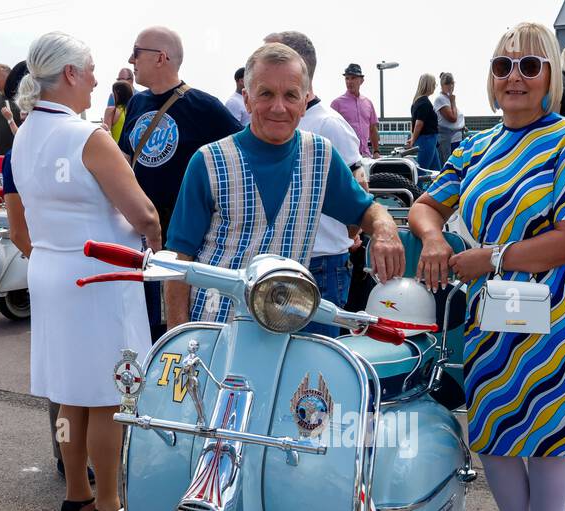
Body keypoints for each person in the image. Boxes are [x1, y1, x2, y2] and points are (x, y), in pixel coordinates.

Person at [409, 22, 565, 511]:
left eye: (530, 66)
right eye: (505, 66)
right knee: (496, 437)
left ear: (550, 75)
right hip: (492, 311)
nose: (515, 78)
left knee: (547, 440)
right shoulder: (476, 145)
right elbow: (426, 205)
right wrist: (431, 241)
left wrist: (492, 256)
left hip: (557, 309)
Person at [8, 32, 161, 511]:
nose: (98, 78)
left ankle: (76, 491)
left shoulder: (24, 134)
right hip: (99, 271)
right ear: (70, 73)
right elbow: (142, 211)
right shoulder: (87, 137)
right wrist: (157, 245)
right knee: (108, 394)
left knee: (68, 392)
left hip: (50, 268)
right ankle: (109, 500)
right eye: (91, 68)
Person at [164, 42, 403, 326]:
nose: (279, 107)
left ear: (304, 103)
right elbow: (179, 258)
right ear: (247, 99)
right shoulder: (208, 161)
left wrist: (386, 230)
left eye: (290, 95)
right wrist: (177, 338)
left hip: (283, 330)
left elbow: (366, 210)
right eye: (266, 94)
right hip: (214, 327)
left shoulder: (320, 156)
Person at [118, 25, 242, 339]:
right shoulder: (136, 103)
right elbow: (123, 158)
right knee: (142, 316)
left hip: (184, 235)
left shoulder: (205, 106)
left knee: (181, 315)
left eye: (137, 51)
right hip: (139, 229)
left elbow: (242, 155)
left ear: (161, 57)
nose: (131, 59)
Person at [263, 31, 364, 319]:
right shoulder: (276, 123)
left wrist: (346, 236)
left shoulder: (329, 125)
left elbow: (358, 188)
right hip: (282, 265)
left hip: (321, 265)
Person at [332, 63, 379, 158]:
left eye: (353, 78)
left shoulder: (368, 103)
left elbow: (373, 129)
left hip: (366, 155)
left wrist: (376, 151)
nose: (349, 82)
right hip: (346, 157)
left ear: (361, 81)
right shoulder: (336, 104)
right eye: (347, 78)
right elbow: (331, 131)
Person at [407, 74, 440, 170]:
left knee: (436, 171)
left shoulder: (417, 102)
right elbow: (419, 124)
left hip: (427, 139)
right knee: (422, 170)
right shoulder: (425, 103)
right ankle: (416, 186)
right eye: (434, 84)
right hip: (427, 139)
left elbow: (414, 123)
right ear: (429, 85)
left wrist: (413, 137)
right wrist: (413, 140)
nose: (434, 86)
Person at [432, 72, 465, 164]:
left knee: (458, 165)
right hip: (449, 140)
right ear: (442, 85)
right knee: (450, 165)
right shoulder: (441, 99)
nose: (450, 86)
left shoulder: (447, 98)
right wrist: (453, 101)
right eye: (447, 84)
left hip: (457, 138)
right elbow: (452, 118)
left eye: (452, 83)